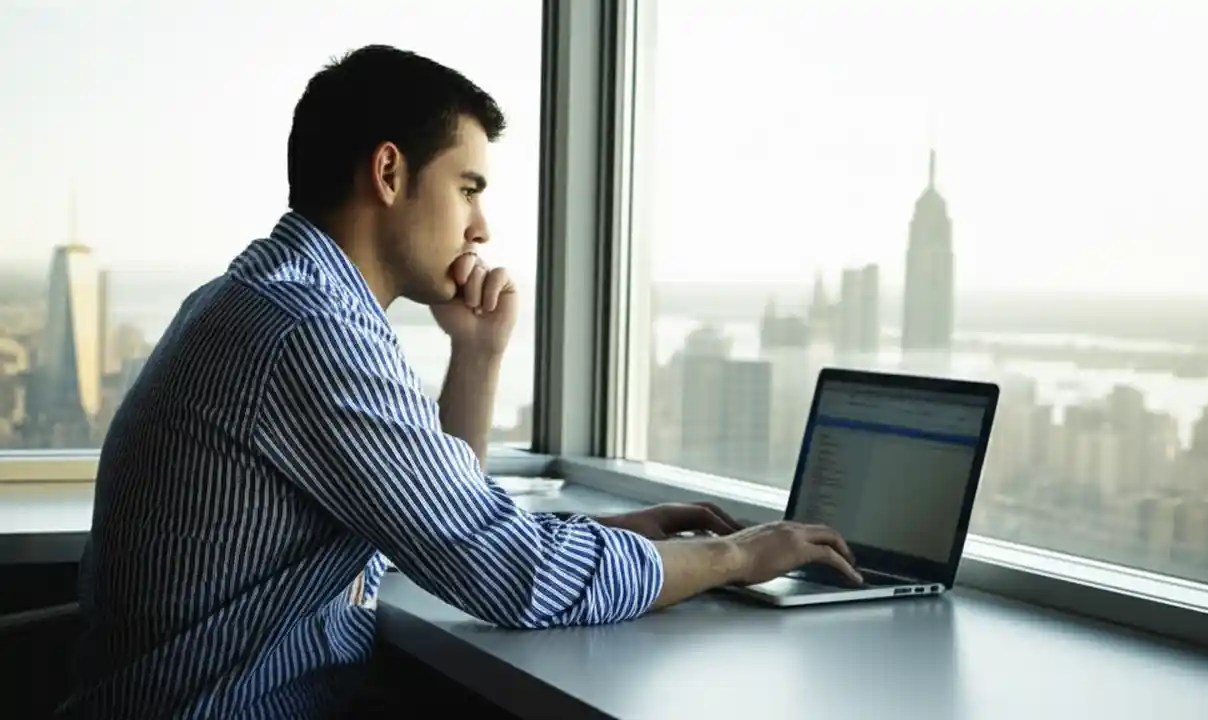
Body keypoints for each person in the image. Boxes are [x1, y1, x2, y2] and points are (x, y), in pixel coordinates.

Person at [57, 45, 861, 719]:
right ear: (389, 173)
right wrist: (732, 556)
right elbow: (507, 573)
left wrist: (475, 356)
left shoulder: (263, 297)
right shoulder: (310, 333)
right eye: (468, 187)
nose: (482, 226)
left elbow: (435, 517)